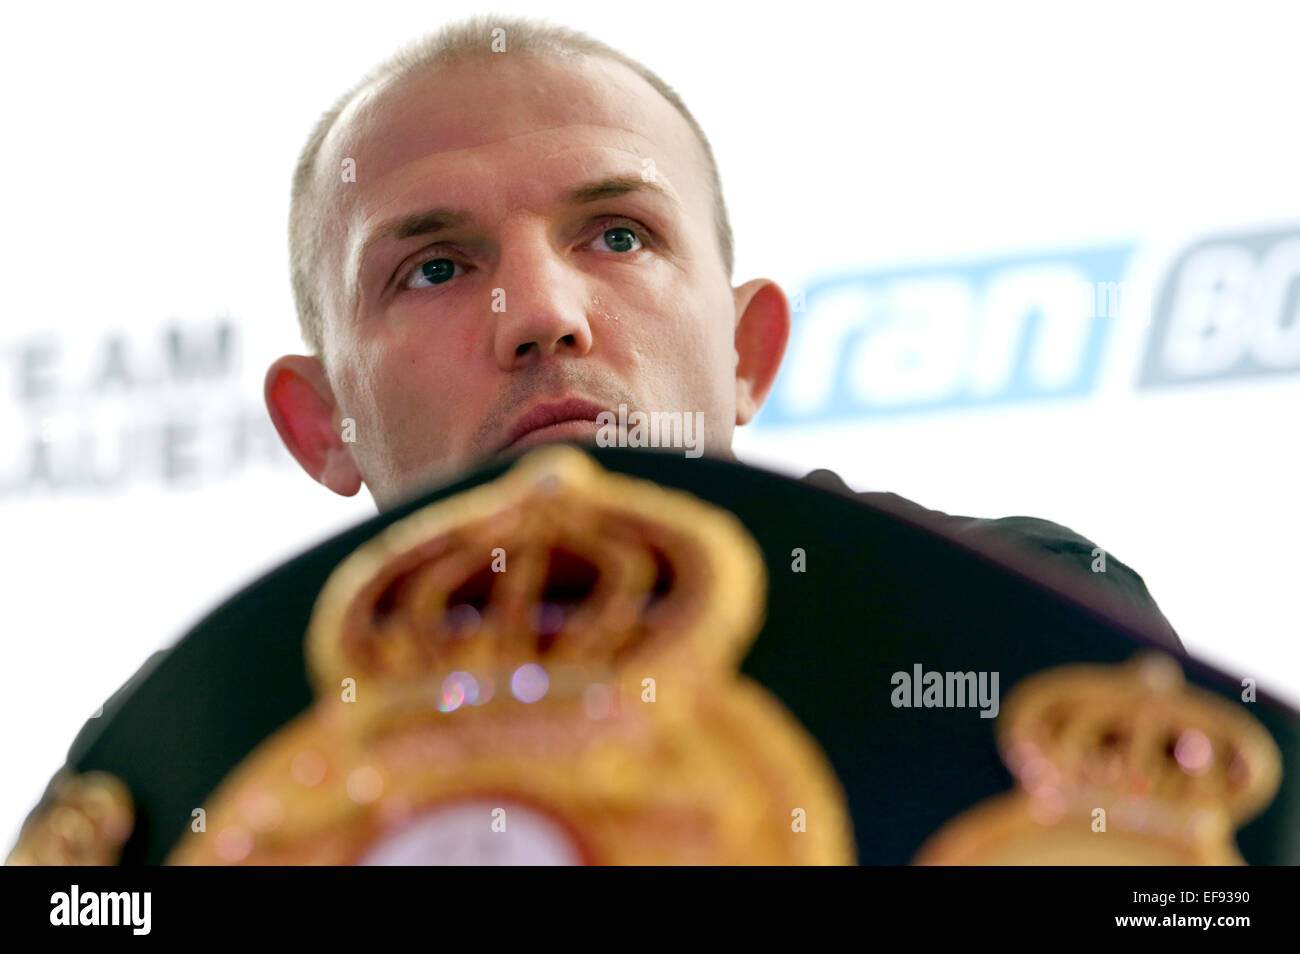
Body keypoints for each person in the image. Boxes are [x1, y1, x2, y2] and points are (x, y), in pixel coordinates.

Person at [264, 13, 1180, 646]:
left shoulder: (1013, 614)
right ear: (322, 424)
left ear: (748, 352)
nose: (543, 315)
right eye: (435, 269)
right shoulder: (183, 770)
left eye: (620, 236)